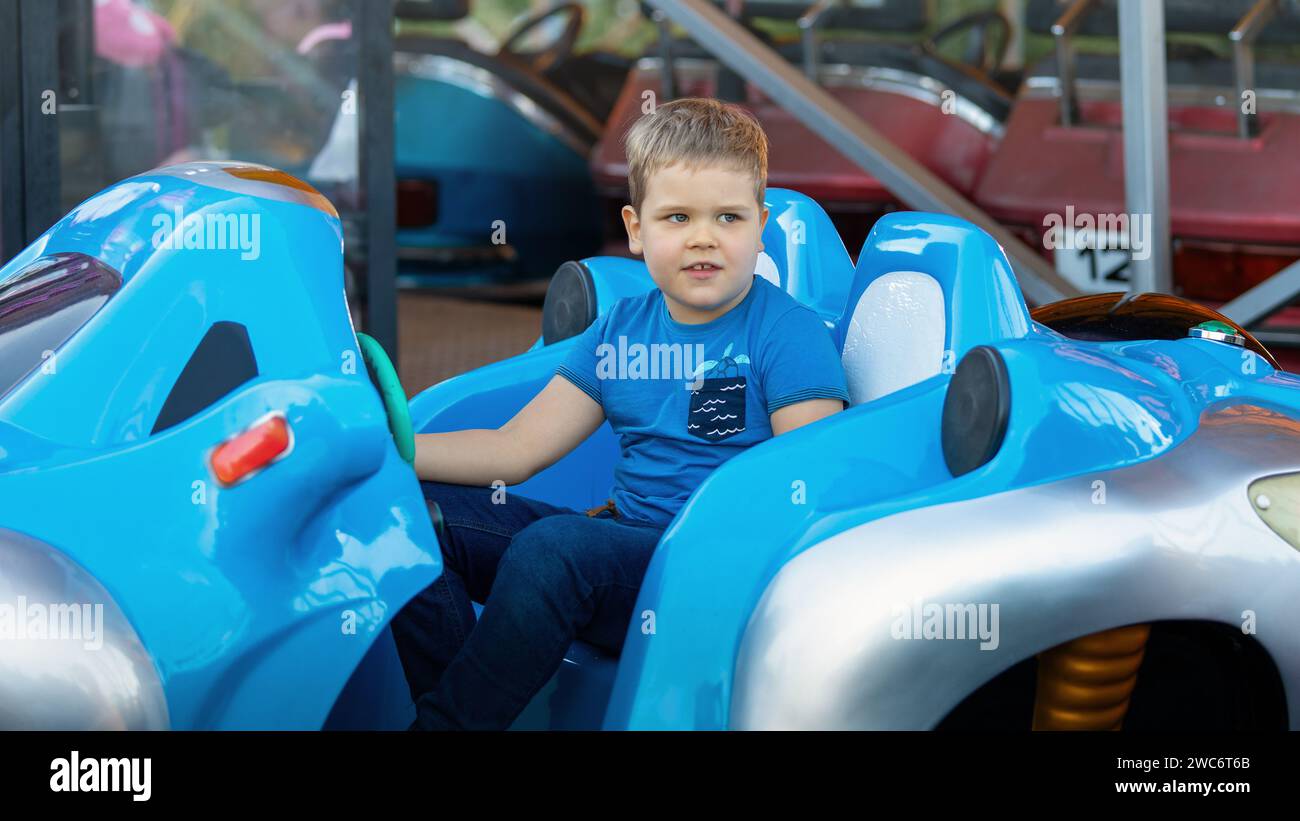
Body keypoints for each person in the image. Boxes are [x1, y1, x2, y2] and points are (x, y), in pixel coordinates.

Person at [390, 97, 850, 730]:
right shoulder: (620, 331)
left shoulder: (787, 334)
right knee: (409, 516)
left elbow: (799, 494)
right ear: (637, 229)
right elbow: (516, 448)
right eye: (678, 216)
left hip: (713, 571)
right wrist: (392, 452)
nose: (703, 238)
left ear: (760, 225)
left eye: (729, 217)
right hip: (620, 550)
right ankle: (460, 709)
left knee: (556, 549)